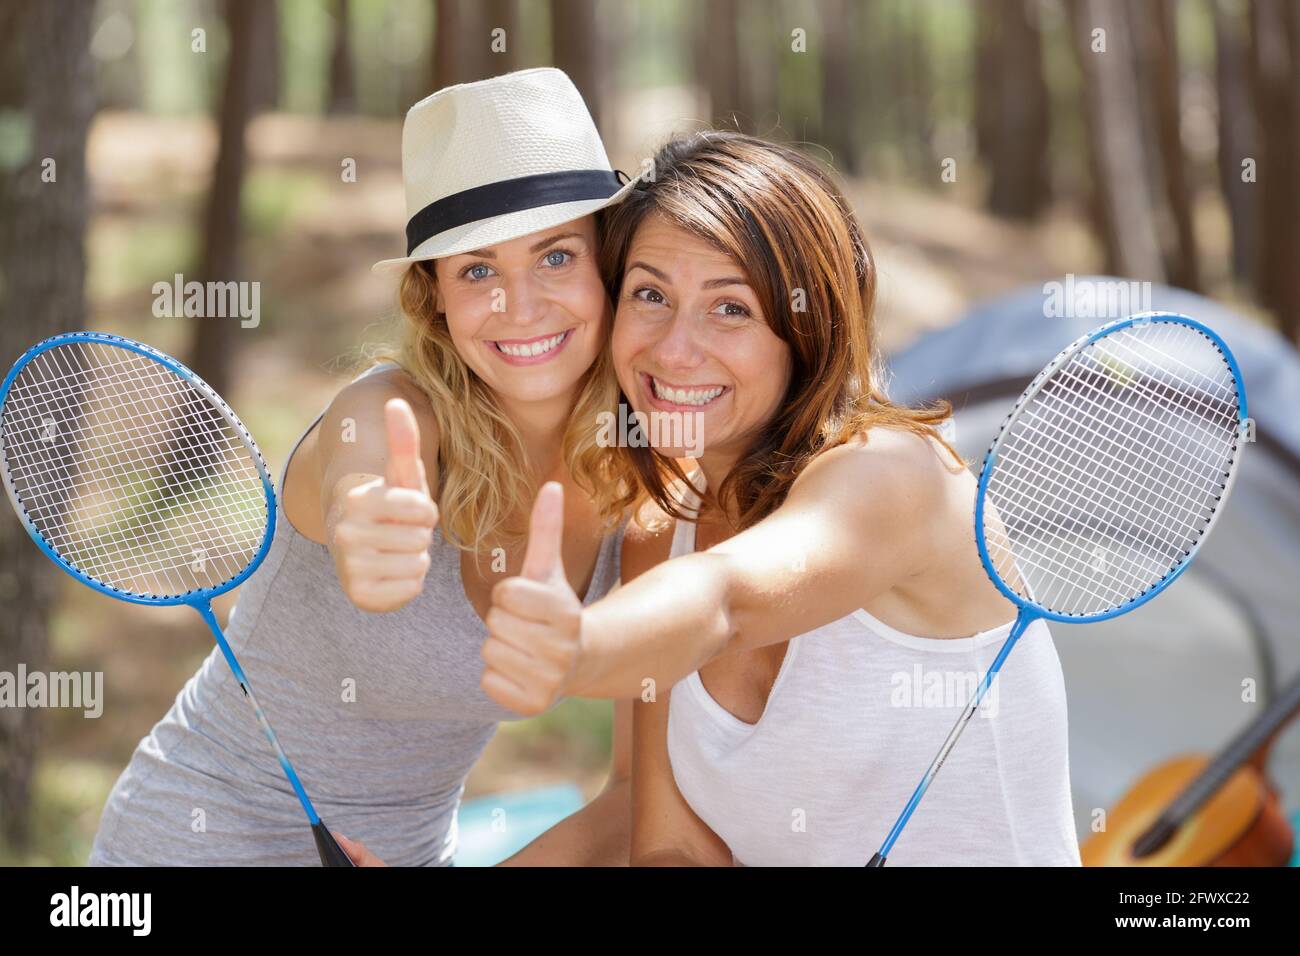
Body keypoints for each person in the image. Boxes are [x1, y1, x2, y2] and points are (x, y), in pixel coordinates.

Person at [475, 131, 1081, 866]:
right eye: (649, 295)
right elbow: (672, 849)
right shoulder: (659, 530)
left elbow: (725, 601)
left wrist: (581, 646)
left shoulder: (895, 474)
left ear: (808, 326)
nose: (673, 349)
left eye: (730, 309)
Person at [90, 69, 638, 866]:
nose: (519, 305)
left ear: (610, 266)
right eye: (477, 270)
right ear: (435, 296)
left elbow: (636, 798)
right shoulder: (387, 412)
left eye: (555, 256)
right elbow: (362, 466)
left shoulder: (643, 481)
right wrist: (365, 515)